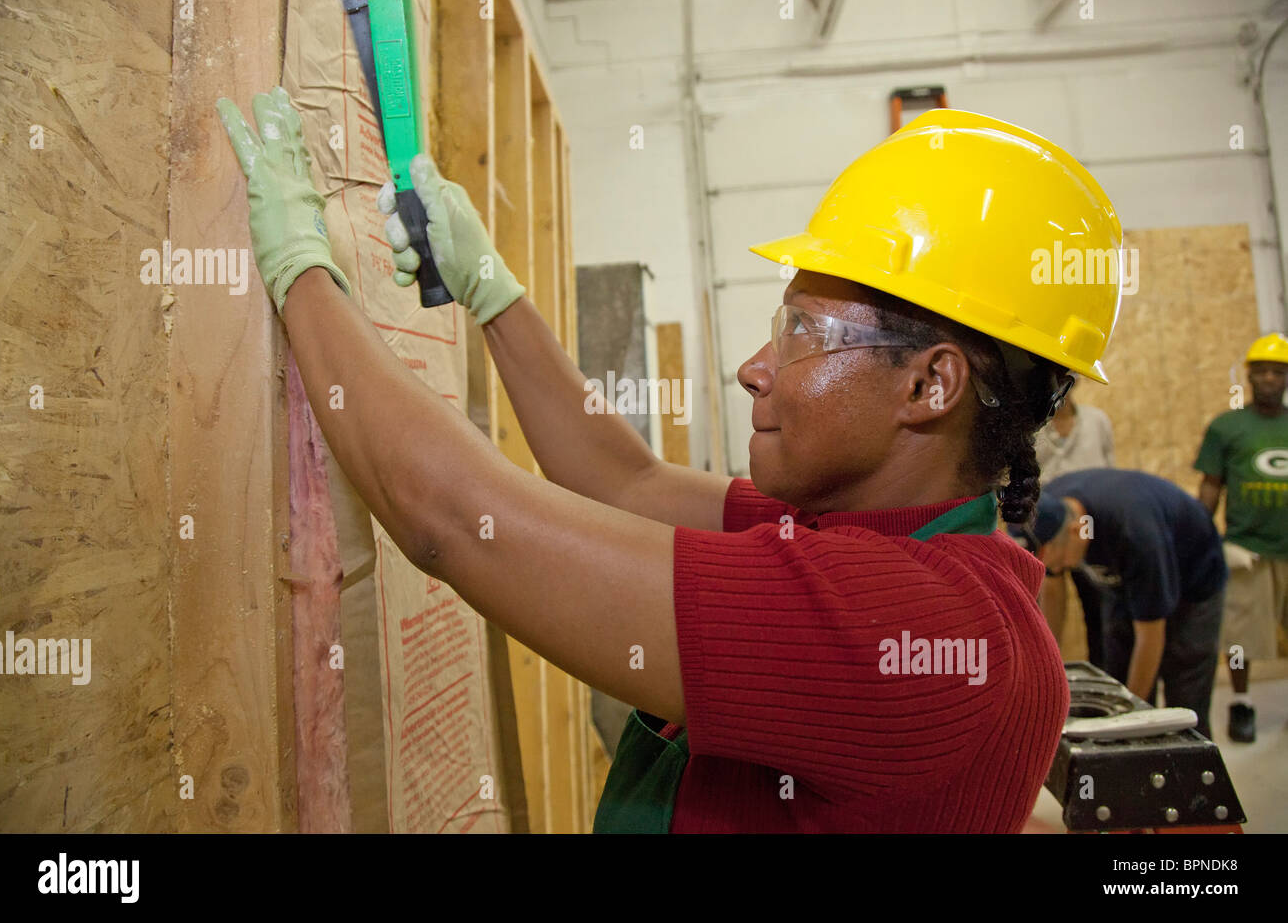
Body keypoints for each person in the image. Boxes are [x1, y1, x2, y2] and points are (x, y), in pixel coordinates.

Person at [216, 90, 1123, 832]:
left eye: (803, 333)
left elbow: (454, 520)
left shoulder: (901, 625)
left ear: (930, 384)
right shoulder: (876, 542)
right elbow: (627, 481)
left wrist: (302, 268)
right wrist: (491, 290)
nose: (754, 368)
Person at [1011, 472, 1227, 737]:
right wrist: (1047, 668)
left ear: (1078, 531)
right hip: (1126, 581)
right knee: (1115, 680)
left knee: (1183, 699)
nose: (1055, 569)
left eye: (1056, 561)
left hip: (1193, 584)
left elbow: (1150, 636)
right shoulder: (1049, 510)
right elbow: (1052, 585)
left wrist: (1129, 724)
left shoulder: (1136, 534)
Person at [1194, 332, 1288, 742]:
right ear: (1249, 376)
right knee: (1239, 639)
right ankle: (1241, 704)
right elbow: (1212, 485)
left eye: (1278, 371)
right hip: (1246, 548)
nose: (1269, 378)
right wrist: (1201, 538)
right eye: (1262, 371)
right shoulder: (1226, 427)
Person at [1033, 392, 1115, 663]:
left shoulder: (1097, 421)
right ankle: (1048, 667)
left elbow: (1109, 470)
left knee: (1099, 606)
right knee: (1042, 606)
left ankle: (1103, 672)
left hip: (1087, 526)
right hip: (1045, 528)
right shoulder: (1033, 425)